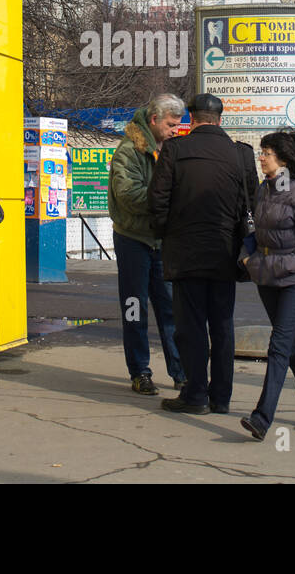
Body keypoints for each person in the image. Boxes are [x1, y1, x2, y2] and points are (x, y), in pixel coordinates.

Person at [149, 93, 249, 415]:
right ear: (221, 118)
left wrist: (166, 234)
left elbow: (157, 202)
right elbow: (252, 209)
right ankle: (221, 398)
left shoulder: (176, 151)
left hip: (186, 254)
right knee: (222, 325)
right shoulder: (240, 155)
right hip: (225, 254)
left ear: (191, 118)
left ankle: (195, 395)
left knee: (190, 326)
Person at [238, 130, 295, 440]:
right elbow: (255, 232)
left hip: (294, 281)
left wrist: (282, 265)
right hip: (266, 278)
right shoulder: (264, 190)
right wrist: (246, 257)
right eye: (261, 152)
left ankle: (262, 418)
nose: (261, 157)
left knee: (278, 345)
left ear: (283, 159)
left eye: (266, 152)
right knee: (292, 347)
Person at [108, 93, 188, 395]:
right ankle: (139, 371)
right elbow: (128, 195)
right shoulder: (129, 151)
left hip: (161, 240)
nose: (174, 130)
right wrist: (165, 203)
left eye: (177, 125)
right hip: (133, 239)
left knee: (170, 309)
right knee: (134, 307)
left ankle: (181, 373)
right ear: (154, 120)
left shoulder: (171, 149)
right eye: (170, 124)